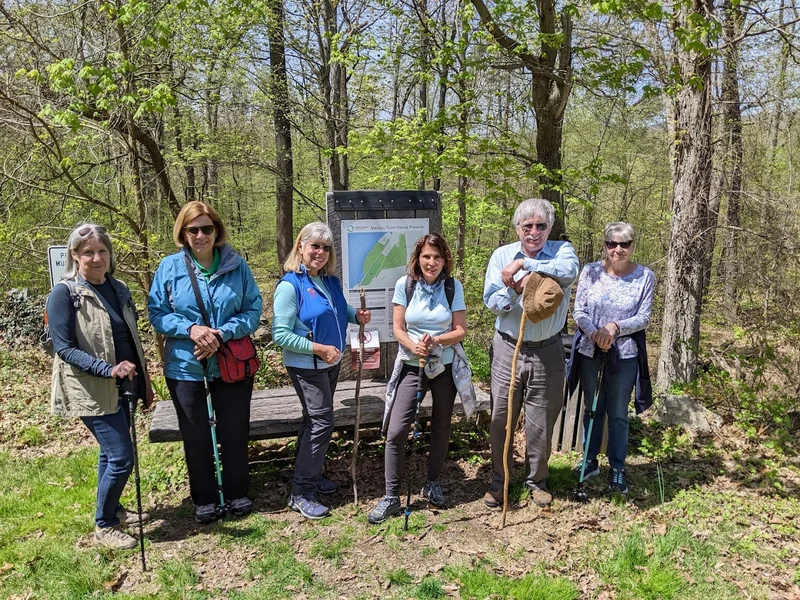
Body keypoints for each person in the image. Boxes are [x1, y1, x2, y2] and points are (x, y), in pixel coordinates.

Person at [148, 201, 263, 524]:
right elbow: (157, 313)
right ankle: (205, 498)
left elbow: (253, 310)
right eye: (193, 229)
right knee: (196, 435)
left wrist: (221, 334)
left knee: (234, 431)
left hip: (230, 362)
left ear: (217, 230)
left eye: (206, 228)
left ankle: (238, 492)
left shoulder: (236, 265)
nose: (200, 235)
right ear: (183, 233)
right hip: (185, 364)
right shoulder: (169, 268)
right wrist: (192, 330)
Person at [47, 223, 154, 549]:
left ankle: (113, 510)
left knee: (111, 455)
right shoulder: (64, 294)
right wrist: (108, 369)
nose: (96, 258)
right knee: (122, 458)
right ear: (75, 256)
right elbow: (63, 348)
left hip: (126, 385)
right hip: (90, 388)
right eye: (88, 252)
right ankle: (104, 524)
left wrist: (145, 384)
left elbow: (132, 339)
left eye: (102, 251)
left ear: (110, 254)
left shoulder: (119, 287)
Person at [368, 233, 476, 524]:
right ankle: (391, 496)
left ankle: (433, 483)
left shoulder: (454, 287)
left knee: (441, 426)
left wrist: (438, 340)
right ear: (417, 259)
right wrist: (413, 345)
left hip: (444, 366)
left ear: (444, 260)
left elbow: (461, 330)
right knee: (396, 429)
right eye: (426, 256)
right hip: (412, 365)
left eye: (437, 257)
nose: (431, 262)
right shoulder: (406, 285)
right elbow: (398, 327)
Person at [483, 198, 579, 509]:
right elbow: (491, 302)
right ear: (517, 228)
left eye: (541, 226)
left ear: (550, 228)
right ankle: (501, 480)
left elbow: (569, 271)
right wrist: (516, 287)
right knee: (501, 417)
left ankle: (537, 480)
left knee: (541, 419)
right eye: (528, 226)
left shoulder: (562, 252)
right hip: (508, 347)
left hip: (548, 350)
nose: (534, 232)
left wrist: (526, 265)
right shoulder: (500, 256)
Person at [272, 222, 371, 520]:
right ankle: (301, 493)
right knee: (321, 422)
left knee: (313, 421)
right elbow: (280, 334)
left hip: (330, 365)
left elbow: (337, 309)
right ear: (300, 247)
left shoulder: (329, 282)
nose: (320, 253)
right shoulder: (290, 286)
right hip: (306, 367)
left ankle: (310, 479)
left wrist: (356, 315)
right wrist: (319, 349)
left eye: (326, 248)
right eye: (314, 246)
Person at [568, 222, 654, 494]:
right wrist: (594, 333)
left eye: (624, 244)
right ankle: (590, 460)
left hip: (625, 354)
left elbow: (644, 317)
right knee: (593, 408)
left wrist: (615, 328)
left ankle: (617, 466)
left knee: (617, 412)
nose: (618, 249)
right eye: (612, 244)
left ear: (633, 246)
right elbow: (578, 310)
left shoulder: (644, 276)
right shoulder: (590, 271)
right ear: (604, 246)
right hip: (590, 351)